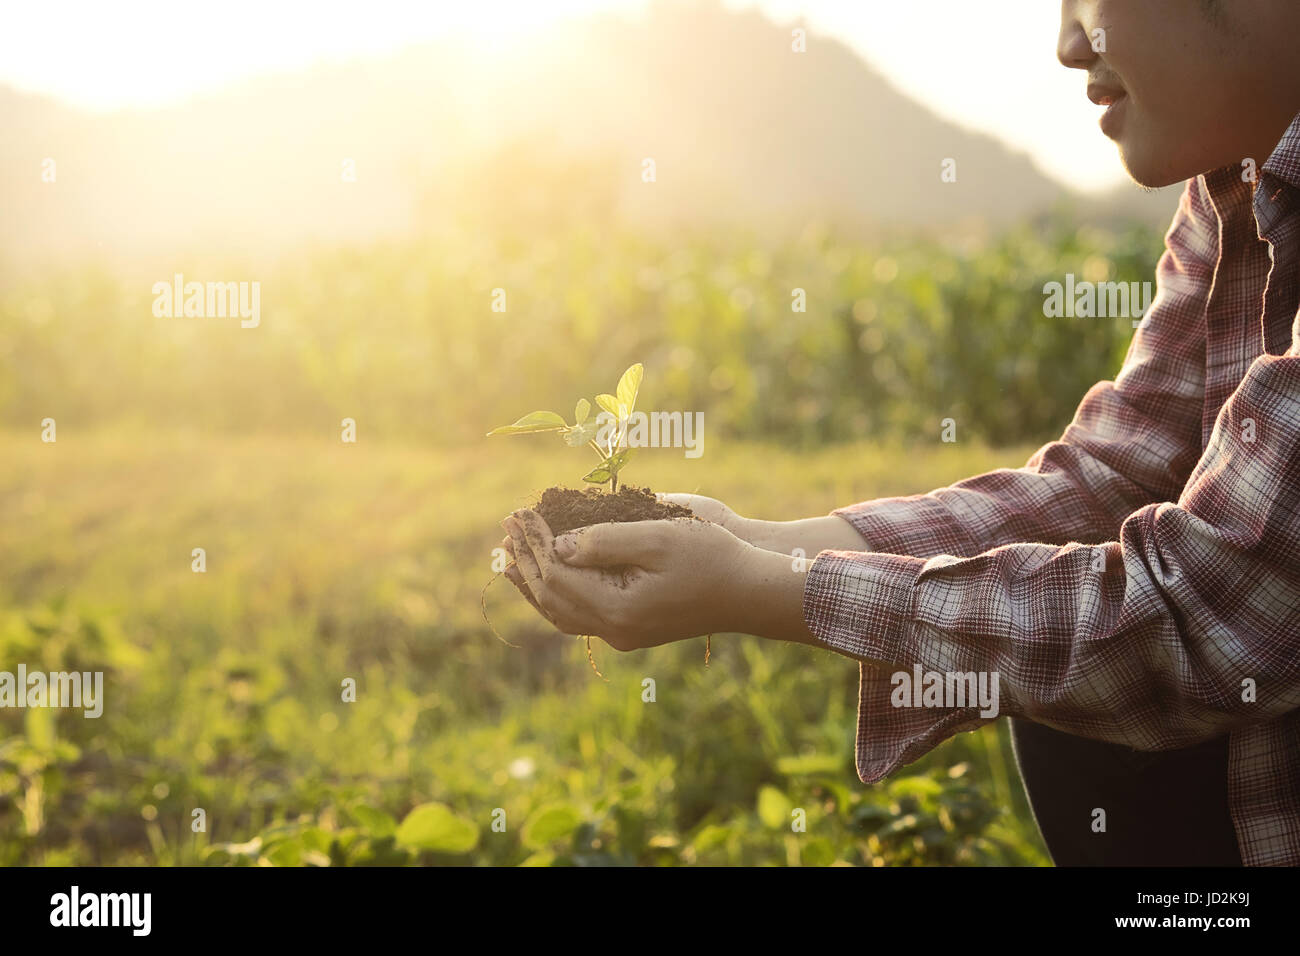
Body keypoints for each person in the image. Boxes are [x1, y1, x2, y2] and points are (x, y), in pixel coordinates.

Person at [500, 0, 1300, 866]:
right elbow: (1116, 477)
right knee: (1046, 650)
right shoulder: (1232, 188)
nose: (1071, 44)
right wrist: (752, 542)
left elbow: (1210, 614)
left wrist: (757, 589)